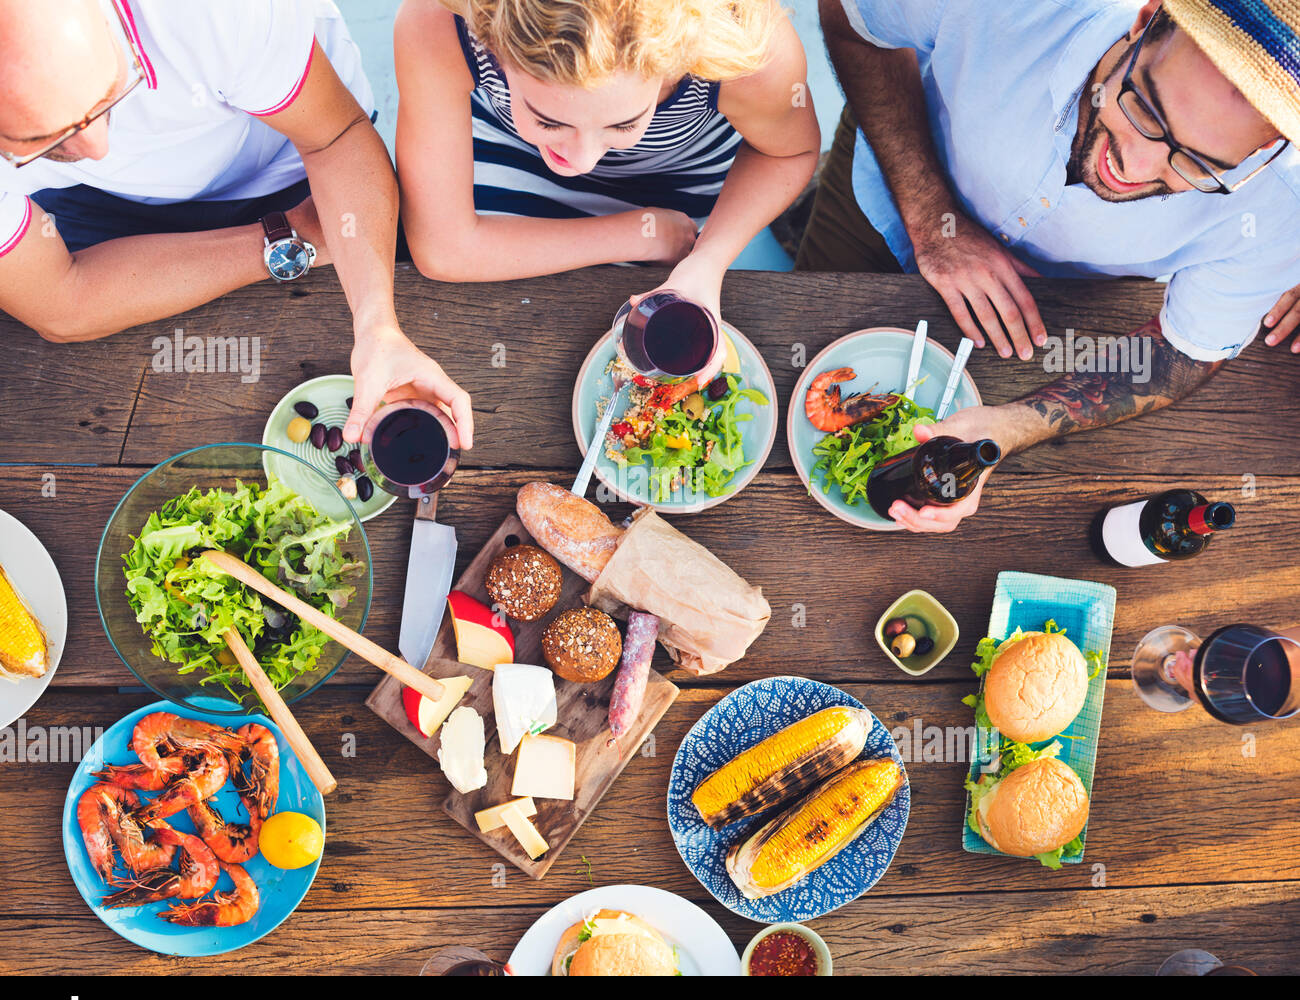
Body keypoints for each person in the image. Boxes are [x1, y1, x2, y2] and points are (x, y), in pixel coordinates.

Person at [803, 0, 1299, 531]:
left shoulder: (1283, 204)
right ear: (1145, 18)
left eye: (1200, 164)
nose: (1135, 168)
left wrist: (1008, 426)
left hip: (1051, 311)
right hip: (890, 177)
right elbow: (850, 22)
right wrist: (930, 214)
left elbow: (1184, 352)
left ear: (1269, 146)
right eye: (1146, 111)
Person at [0, 0, 472, 448]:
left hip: (290, 153)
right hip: (93, 204)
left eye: (109, 96)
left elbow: (335, 138)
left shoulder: (216, 11)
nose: (101, 148)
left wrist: (378, 328)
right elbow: (63, 303)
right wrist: (288, 237)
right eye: (49, 142)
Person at [394, 0, 820, 379]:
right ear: (494, 42)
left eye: (624, 124)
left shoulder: (744, 43)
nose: (581, 162)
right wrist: (638, 235)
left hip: (680, 174)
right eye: (547, 119)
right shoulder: (436, 20)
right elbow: (443, 247)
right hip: (515, 155)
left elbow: (787, 153)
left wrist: (709, 259)